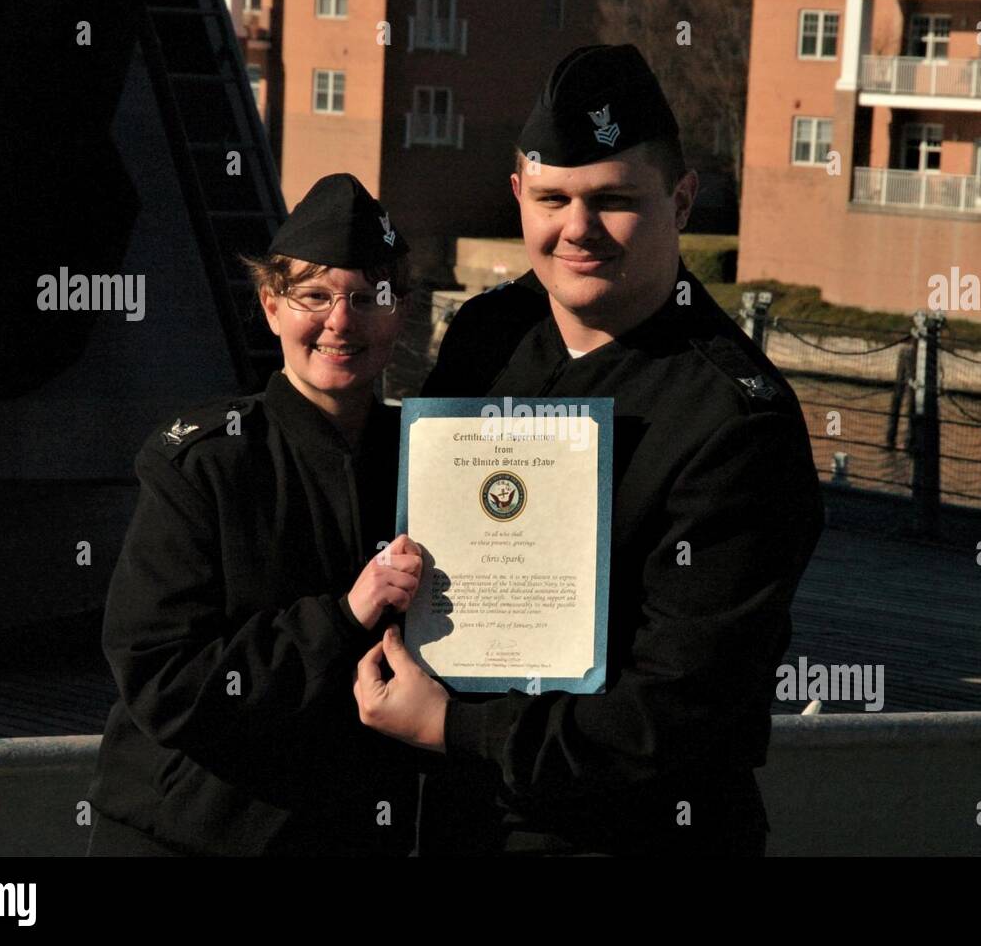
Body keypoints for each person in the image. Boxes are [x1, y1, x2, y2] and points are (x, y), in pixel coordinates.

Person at [352, 45, 825, 856]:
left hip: (630, 833)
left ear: (679, 201)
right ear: (518, 198)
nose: (578, 229)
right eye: (553, 197)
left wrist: (456, 725)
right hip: (461, 814)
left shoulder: (735, 422)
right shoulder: (488, 334)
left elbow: (673, 712)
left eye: (613, 199)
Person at [86, 173, 426, 856]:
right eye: (315, 296)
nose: (340, 321)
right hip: (194, 837)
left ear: (398, 314)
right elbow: (162, 680)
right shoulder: (205, 466)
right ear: (271, 307)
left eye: (367, 298)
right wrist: (340, 619)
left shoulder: (433, 461)